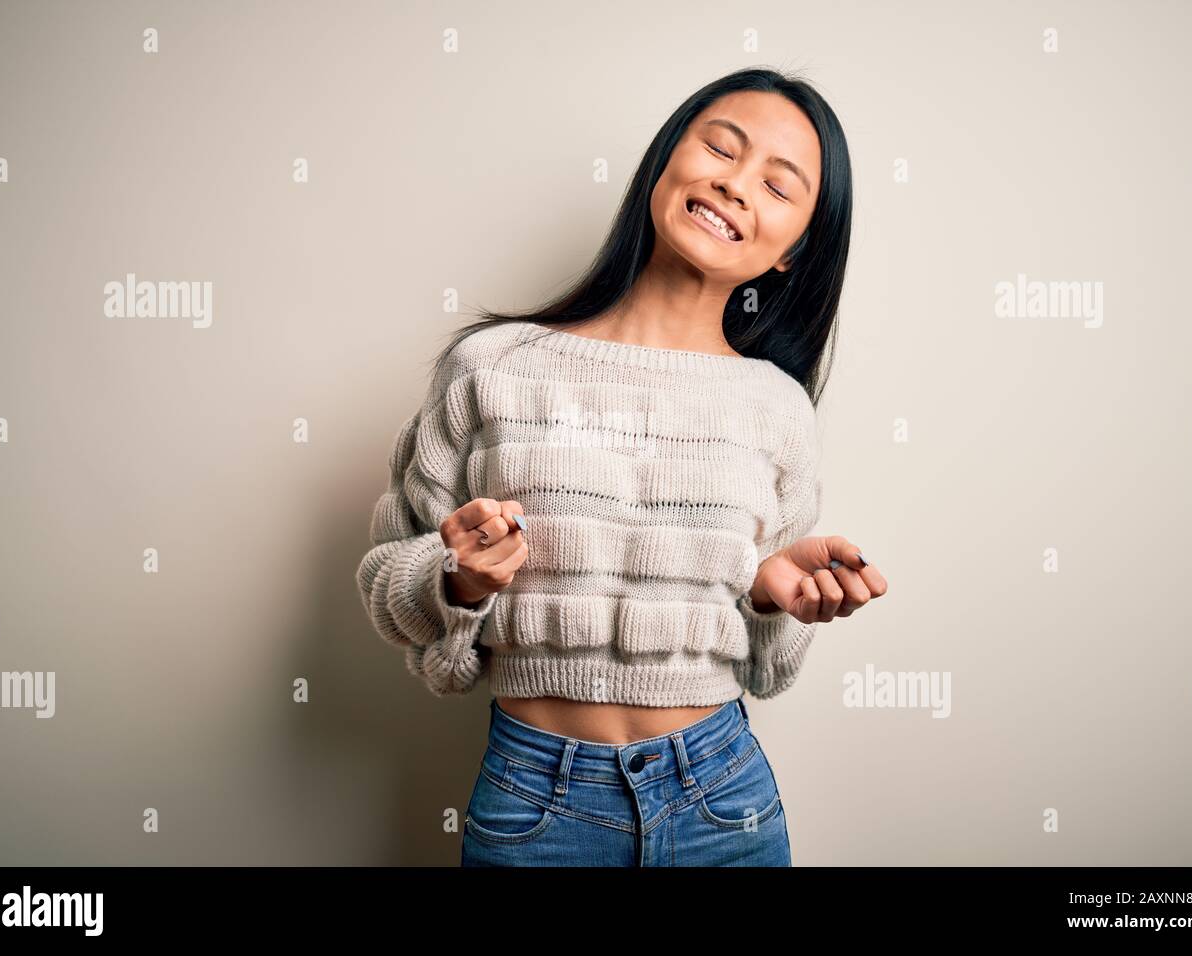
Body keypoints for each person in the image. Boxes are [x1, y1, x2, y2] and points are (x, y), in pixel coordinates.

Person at [355, 66, 887, 866]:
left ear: (792, 253)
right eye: (720, 147)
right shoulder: (491, 367)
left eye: (779, 186)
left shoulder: (778, 408)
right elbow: (387, 581)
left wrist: (773, 591)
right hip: (535, 803)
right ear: (666, 161)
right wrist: (456, 577)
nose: (735, 185)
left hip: (723, 802)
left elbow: (771, 672)